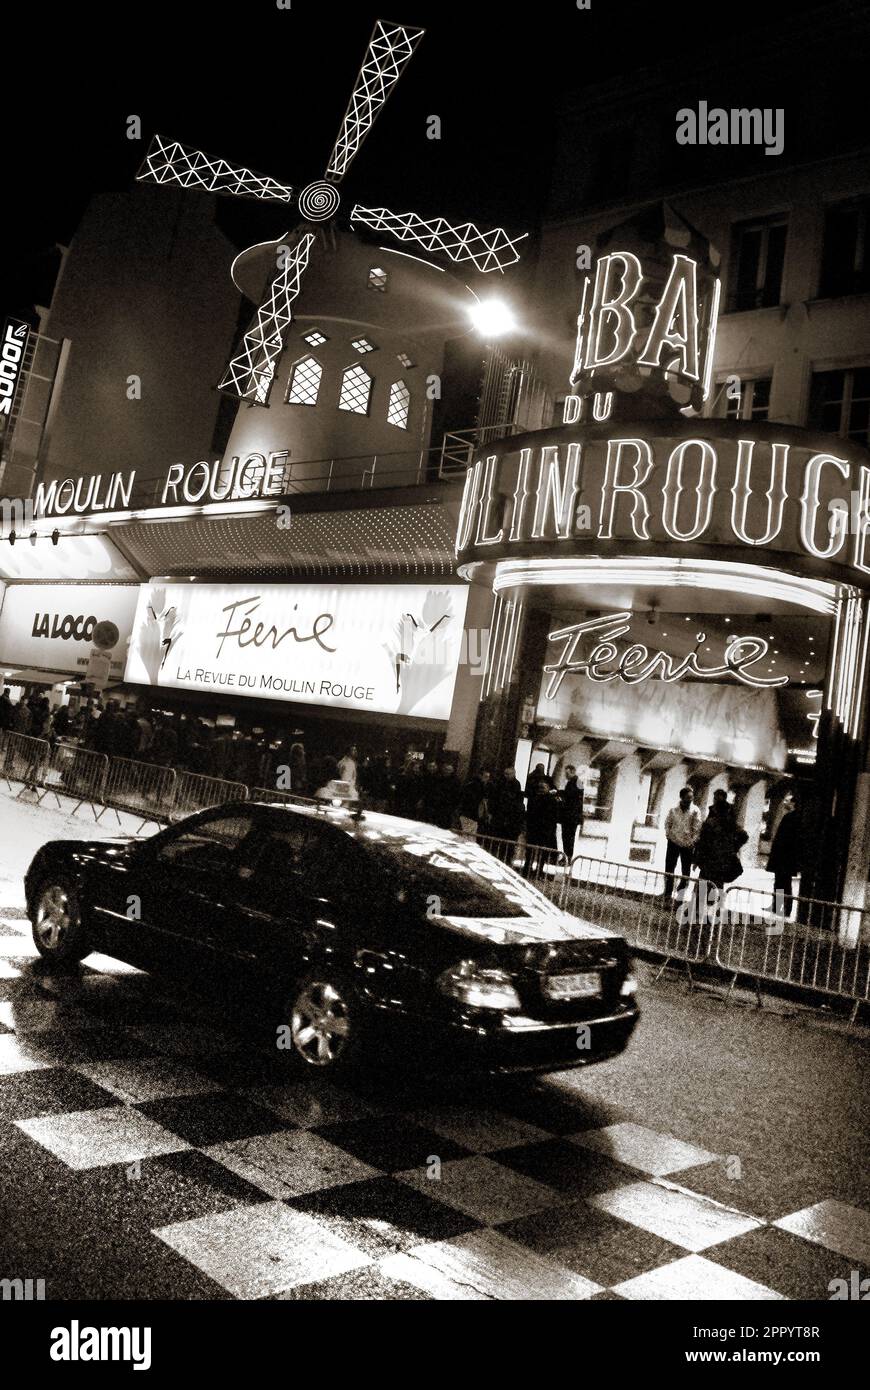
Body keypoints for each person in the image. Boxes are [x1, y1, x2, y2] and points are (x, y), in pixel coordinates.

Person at [693, 789, 748, 925]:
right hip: (722, 861)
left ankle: (698, 914)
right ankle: (713, 915)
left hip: (709, 860)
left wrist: (697, 859)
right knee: (718, 886)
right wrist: (732, 848)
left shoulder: (710, 823)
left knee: (703, 885)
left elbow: (702, 842)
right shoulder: (730, 823)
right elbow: (743, 836)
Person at [663, 785, 702, 894]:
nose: (690, 799)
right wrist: (669, 835)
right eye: (688, 797)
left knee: (686, 870)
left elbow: (697, 828)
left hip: (687, 845)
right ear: (682, 797)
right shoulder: (673, 810)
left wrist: (692, 842)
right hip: (673, 842)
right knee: (669, 868)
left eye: (691, 797)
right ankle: (667, 891)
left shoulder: (695, 811)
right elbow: (667, 823)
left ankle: (681, 893)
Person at [768, 790, 801, 918]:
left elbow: (783, 839)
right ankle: (779, 906)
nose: (787, 803)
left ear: (794, 803)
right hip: (786, 857)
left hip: (784, 857)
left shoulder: (791, 818)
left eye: (790, 801)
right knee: (782, 882)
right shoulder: (792, 817)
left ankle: (782, 908)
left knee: (782, 882)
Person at [524, 764, 560, 877]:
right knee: (542, 852)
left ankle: (527, 869)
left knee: (530, 850)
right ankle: (538, 870)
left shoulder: (535, 798)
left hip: (534, 827)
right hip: (545, 829)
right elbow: (554, 814)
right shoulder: (552, 799)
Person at [489, 767, 526, 864]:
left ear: (513, 774)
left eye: (508, 774)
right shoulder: (504, 784)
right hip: (503, 820)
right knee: (500, 844)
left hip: (508, 821)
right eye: (505, 773)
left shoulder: (512, 786)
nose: (506, 776)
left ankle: (505, 861)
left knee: (506, 845)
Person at [560, 764, 584, 862]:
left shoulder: (576, 782)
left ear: (572, 772)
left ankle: (567, 857)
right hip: (572, 816)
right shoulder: (576, 782)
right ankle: (567, 856)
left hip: (571, 816)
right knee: (568, 837)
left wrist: (559, 793)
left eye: (567, 773)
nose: (565, 775)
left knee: (568, 837)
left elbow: (571, 796)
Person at [458, 768, 492, 838]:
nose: (487, 779)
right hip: (471, 815)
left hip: (468, 814)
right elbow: (480, 801)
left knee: (468, 835)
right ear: (480, 776)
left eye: (488, 777)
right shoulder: (479, 787)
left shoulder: (471, 784)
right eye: (485, 776)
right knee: (469, 836)